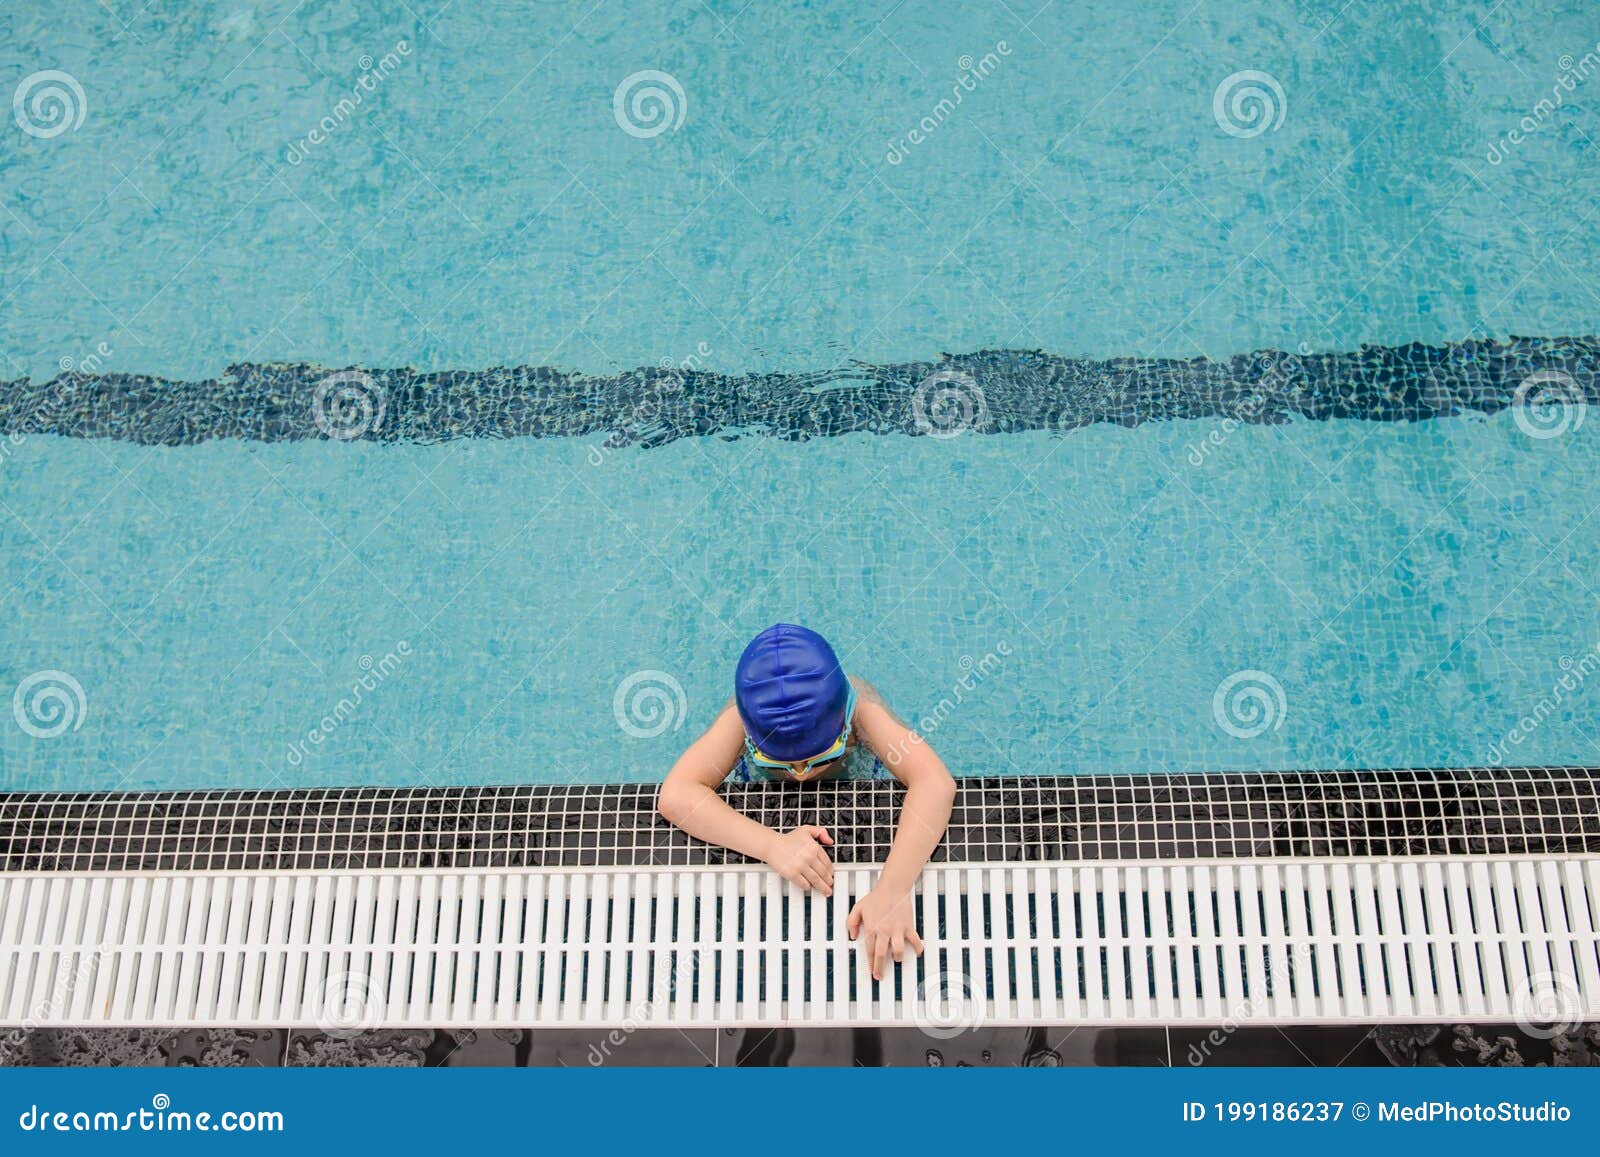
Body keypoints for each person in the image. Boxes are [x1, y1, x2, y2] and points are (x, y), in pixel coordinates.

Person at [657, 623, 956, 980]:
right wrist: (771, 844)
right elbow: (677, 794)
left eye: (818, 759)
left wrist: (893, 888)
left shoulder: (861, 712)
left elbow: (934, 784)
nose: (800, 774)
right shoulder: (744, 716)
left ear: (844, 726)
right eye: (778, 762)